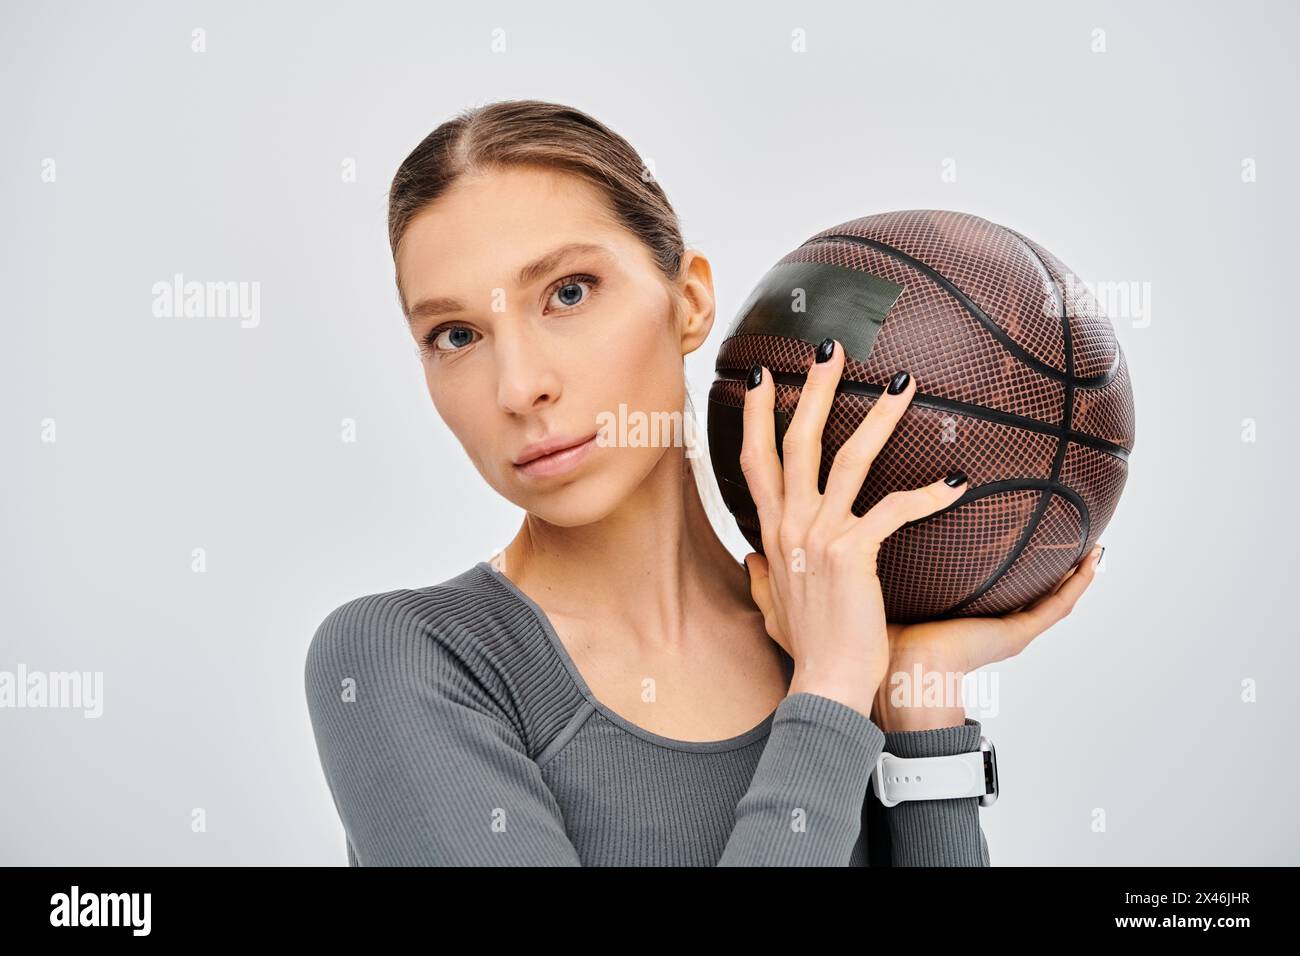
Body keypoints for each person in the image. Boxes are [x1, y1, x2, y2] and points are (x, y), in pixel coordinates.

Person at [304, 99, 1102, 866]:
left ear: (688, 303)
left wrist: (913, 702)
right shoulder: (404, 661)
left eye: (568, 293)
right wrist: (827, 694)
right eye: (456, 334)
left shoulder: (840, 633)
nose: (519, 388)